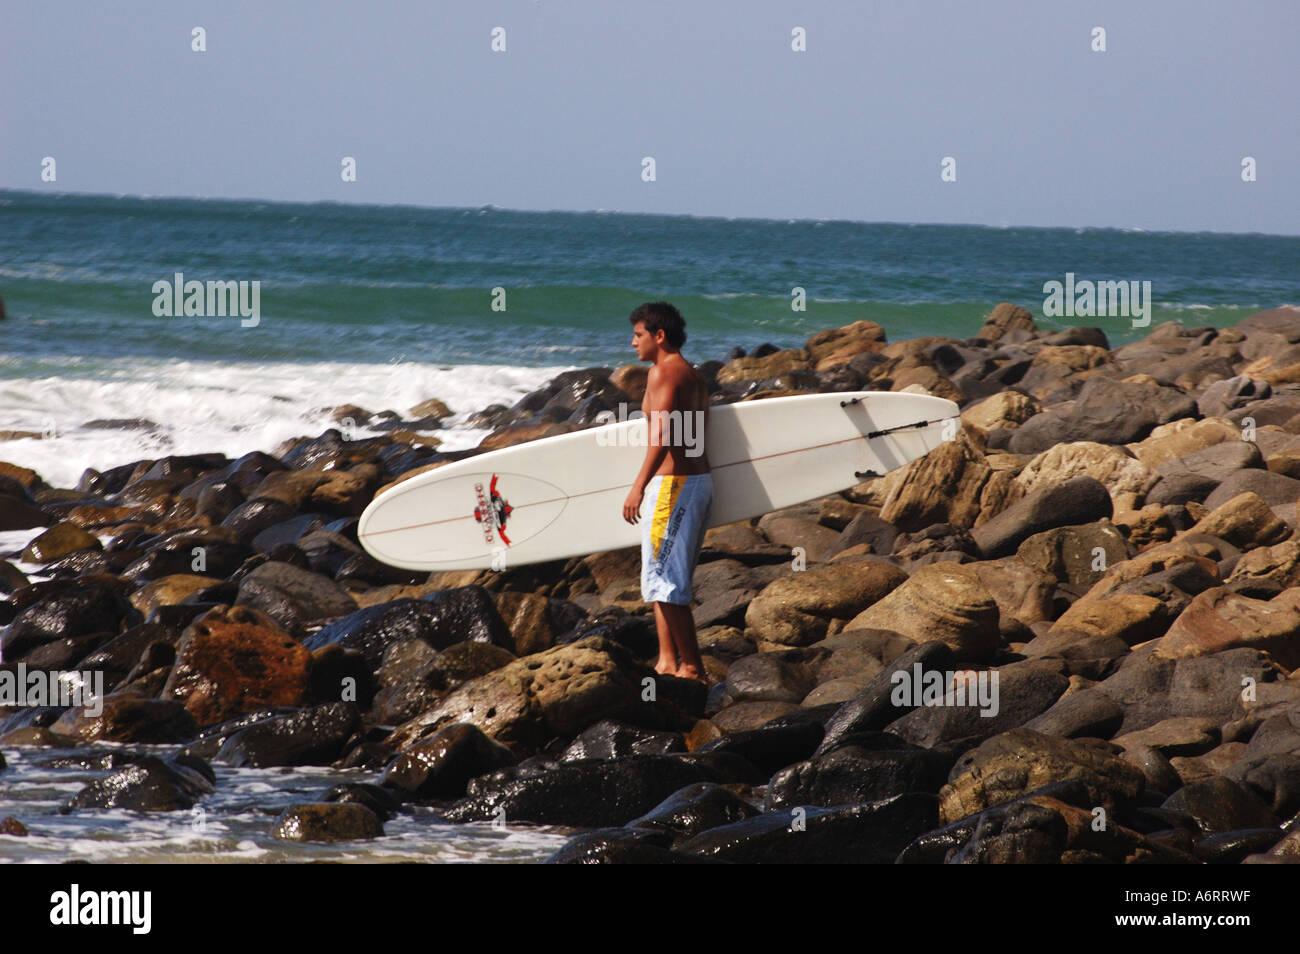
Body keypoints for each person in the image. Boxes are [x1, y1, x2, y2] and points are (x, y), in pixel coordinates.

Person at [621, 302, 713, 684]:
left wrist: (638, 486)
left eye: (638, 334)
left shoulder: (663, 372)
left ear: (659, 336)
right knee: (659, 576)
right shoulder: (692, 375)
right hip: (694, 483)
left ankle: (691, 668)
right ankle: (665, 660)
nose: (632, 343)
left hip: (674, 486)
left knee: (666, 579)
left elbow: (662, 435)